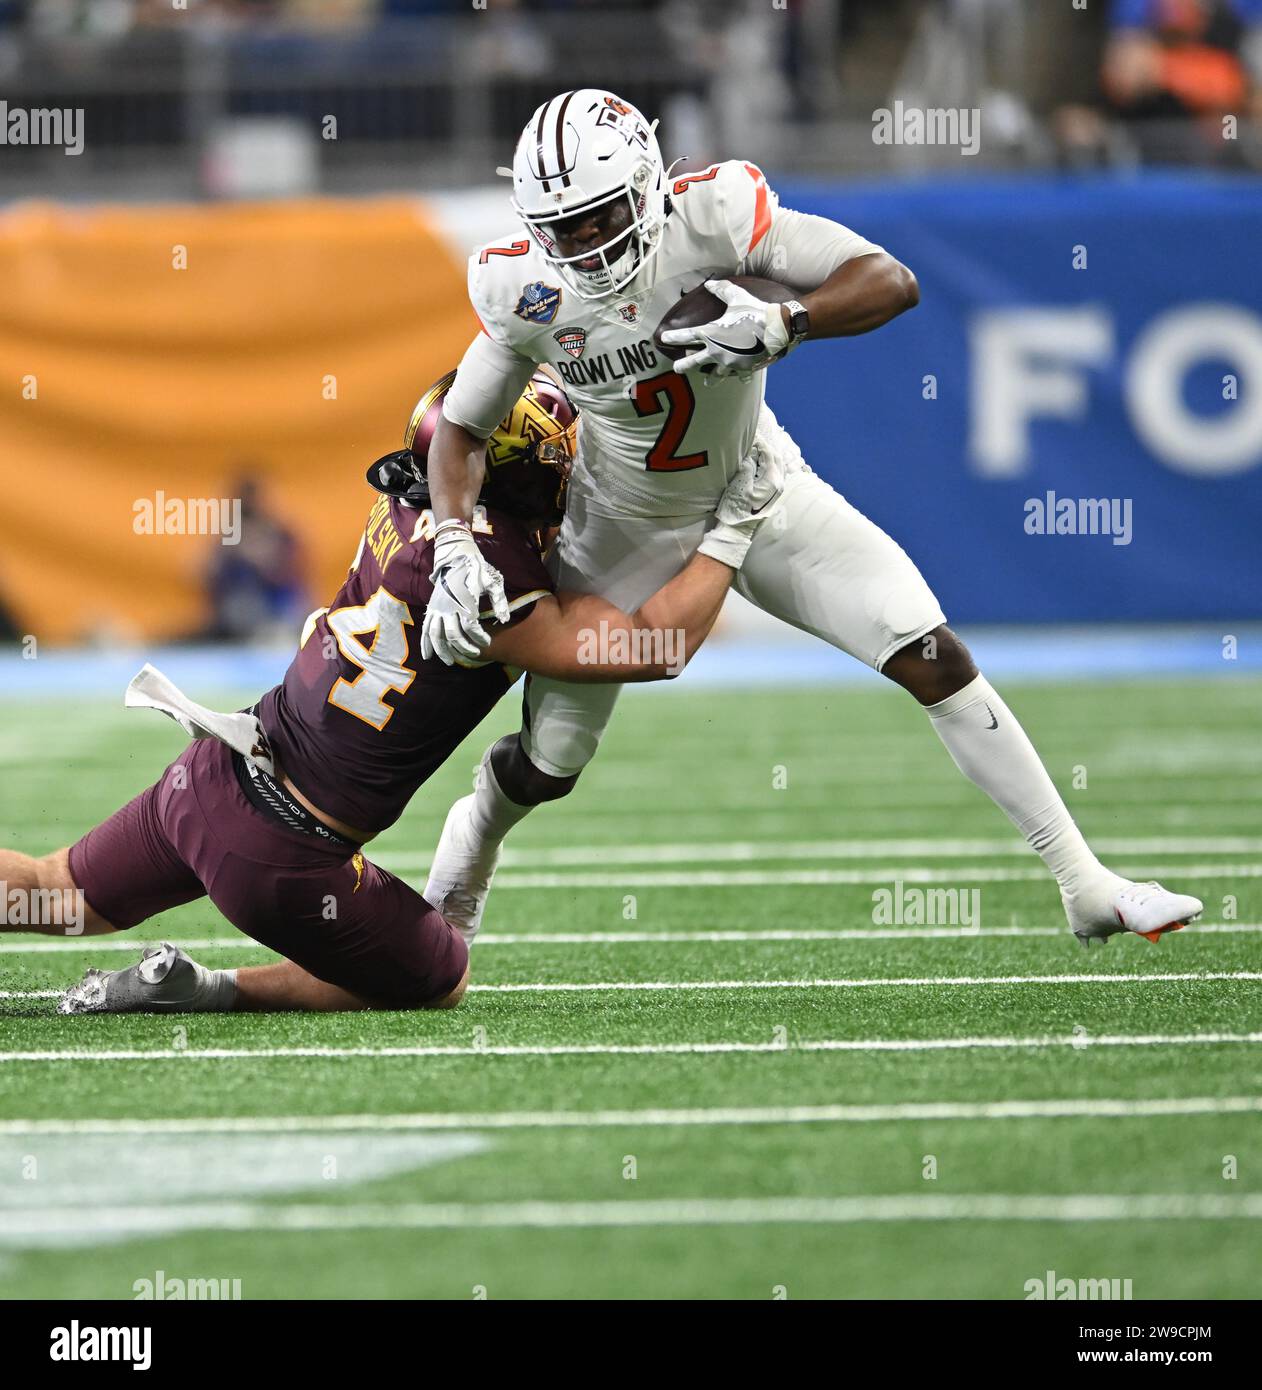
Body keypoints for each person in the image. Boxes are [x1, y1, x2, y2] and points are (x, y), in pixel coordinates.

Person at [417, 88, 1202, 950]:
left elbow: (888, 280)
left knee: (930, 652)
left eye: (599, 217)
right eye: (560, 229)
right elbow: (461, 426)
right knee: (550, 763)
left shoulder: (714, 215)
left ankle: (1083, 881)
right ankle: (478, 830)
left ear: (648, 186)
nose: (583, 248)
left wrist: (789, 321)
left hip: (760, 485)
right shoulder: (521, 284)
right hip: (619, 520)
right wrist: (453, 539)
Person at [0, 365, 782, 1014]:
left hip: (213, 773)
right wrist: (733, 527)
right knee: (440, 978)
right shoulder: (493, 580)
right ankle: (206, 990)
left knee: (55, 892)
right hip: (286, 852)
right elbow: (656, 645)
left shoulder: (406, 504)